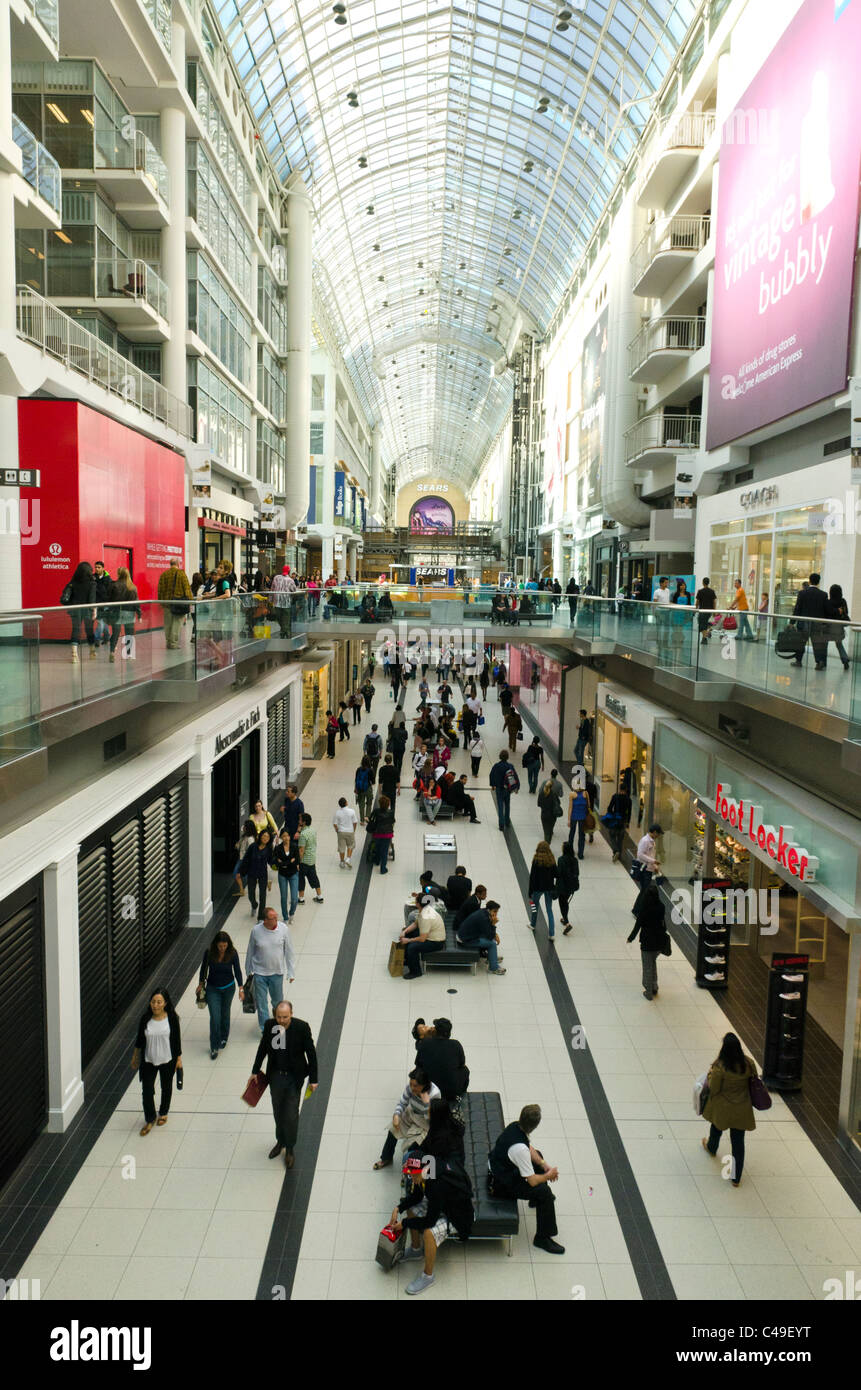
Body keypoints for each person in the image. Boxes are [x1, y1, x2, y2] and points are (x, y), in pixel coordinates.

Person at [250, 1000, 318, 1168]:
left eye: (285, 1017)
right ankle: (280, 1141)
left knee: (291, 1114)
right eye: (279, 1017)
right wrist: (255, 1070)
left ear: (291, 1014)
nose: (281, 1020)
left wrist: (314, 1079)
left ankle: (290, 1147)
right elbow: (263, 1048)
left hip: (294, 1078)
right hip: (276, 1076)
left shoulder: (301, 1028)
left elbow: (311, 1053)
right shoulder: (270, 1026)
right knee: (278, 1110)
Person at [489, 1104, 563, 1254]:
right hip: (500, 1184)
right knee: (544, 1192)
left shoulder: (515, 1127)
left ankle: (535, 1200)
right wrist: (548, 1176)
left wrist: (544, 1165)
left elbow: (529, 1148)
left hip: (500, 1169)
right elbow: (532, 1181)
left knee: (538, 1156)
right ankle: (542, 1238)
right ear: (535, 1126)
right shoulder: (519, 1149)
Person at [701, 1032, 759, 1186]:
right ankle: (736, 1177)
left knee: (716, 1127)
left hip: (723, 1107)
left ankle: (712, 1147)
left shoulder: (721, 1067)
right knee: (738, 1142)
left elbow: (714, 1089)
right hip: (742, 1108)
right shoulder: (748, 1063)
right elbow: (754, 1079)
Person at [130, 989, 182, 1135]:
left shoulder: (172, 1019)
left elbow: (176, 1040)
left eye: (159, 1002)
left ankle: (163, 1112)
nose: (155, 1005)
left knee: (166, 1087)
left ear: (165, 1003)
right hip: (148, 1060)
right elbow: (139, 1040)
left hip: (168, 1059)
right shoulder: (145, 1019)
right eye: (153, 1002)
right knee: (146, 1090)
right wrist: (135, 1057)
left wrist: (178, 1058)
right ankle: (150, 1118)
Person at [374, 1067, 441, 1169]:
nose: (412, 1088)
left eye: (415, 1086)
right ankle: (386, 1157)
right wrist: (396, 1115)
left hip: (425, 1123)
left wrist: (427, 1104)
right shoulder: (411, 1088)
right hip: (411, 1114)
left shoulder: (434, 1094)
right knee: (392, 1131)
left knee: (413, 1145)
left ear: (424, 1085)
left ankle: (408, 1171)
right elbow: (402, 1103)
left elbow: (434, 1119)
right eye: (411, 1084)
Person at [197, 930, 244, 1059]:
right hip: (213, 989)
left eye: (225, 946)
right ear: (215, 945)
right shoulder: (209, 953)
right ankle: (214, 1046)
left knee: (225, 1013)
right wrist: (201, 983)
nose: (223, 948)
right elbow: (203, 969)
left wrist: (241, 988)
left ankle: (224, 1036)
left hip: (228, 988)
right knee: (215, 1017)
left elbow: (238, 971)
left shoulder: (232, 953)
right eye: (220, 946)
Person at [415, 1019, 469, 1112]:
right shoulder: (456, 1045)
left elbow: (418, 1064)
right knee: (465, 1070)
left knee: (419, 1070)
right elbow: (461, 1064)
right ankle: (461, 1096)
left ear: (436, 1031)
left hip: (429, 1090)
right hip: (450, 1093)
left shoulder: (425, 1043)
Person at [627, 882, 667, 1000]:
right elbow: (663, 923)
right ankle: (654, 986)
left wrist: (631, 938)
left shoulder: (644, 909)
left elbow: (638, 925)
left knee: (647, 967)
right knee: (653, 963)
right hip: (658, 941)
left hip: (647, 942)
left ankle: (648, 991)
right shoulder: (661, 907)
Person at [400, 901, 447, 979]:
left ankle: (416, 972)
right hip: (430, 935)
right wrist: (404, 932)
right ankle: (408, 960)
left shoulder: (425, 917)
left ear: (418, 904)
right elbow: (415, 924)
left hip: (436, 942)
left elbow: (422, 939)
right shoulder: (425, 909)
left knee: (412, 947)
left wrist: (408, 940)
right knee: (409, 933)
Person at [792, 572, 830, 670]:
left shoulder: (802, 593)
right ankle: (819, 662)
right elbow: (825, 610)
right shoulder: (823, 595)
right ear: (818, 582)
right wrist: (825, 623)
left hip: (803, 622)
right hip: (817, 624)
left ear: (809, 581)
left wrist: (792, 622)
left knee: (800, 642)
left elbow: (797, 609)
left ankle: (798, 661)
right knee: (818, 644)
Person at [457, 899, 506, 975]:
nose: (496, 914)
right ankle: (493, 968)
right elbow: (489, 935)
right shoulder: (483, 918)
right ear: (489, 910)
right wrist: (493, 924)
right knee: (492, 943)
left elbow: (487, 930)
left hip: (466, 934)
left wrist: (494, 934)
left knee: (491, 939)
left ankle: (492, 958)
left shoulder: (483, 912)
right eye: (495, 911)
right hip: (465, 940)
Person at [64, 560, 97, 661]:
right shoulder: (92, 584)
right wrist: (94, 611)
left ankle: (74, 655)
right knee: (89, 630)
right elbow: (92, 601)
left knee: (76, 629)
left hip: (75, 609)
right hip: (87, 610)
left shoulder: (73, 582)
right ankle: (92, 652)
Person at [158, 557, 192, 650]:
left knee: (168, 624)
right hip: (178, 604)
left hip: (167, 603)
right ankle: (174, 643)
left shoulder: (164, 575)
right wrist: (190, 600)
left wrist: (161, 602)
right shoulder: (181, 574)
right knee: (177, 624)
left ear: (170, 564)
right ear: (178, 564)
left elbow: (160, 590)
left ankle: (168, 642)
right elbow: (186, 588)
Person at [108, 566, 141, 663]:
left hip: (116, 612)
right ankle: (128, 654)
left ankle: (112, 652)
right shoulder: (133, 587)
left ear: (119, 574)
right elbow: (136, 602)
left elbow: (109, 600)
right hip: (129, 613)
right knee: (129, 634)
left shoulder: (114, 585)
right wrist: (139, 614)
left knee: (115, 633)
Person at [527, 841, 558, 939]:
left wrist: (530, 891)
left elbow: (532, 877)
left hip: (537, 888)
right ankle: (551, 934)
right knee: (549, 910)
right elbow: (557, 874)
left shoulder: (536, 860)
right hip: (549, 889)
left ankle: (533, 923)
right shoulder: (551, 860)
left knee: (534, 905)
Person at [240, 829, 274, 916]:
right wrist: (242, 871)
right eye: (264, 836)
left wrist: (278, 863)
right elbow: (246, 859)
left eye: (267, 836)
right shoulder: (253, 846)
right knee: (251, 894)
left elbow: (271, 862)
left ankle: (261, 917)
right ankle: (254, 905)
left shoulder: (269, 848)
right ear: (260, 836)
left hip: (263, 874)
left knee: (263, 896)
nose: (265, 838)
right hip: (252, 873)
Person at [272, 828, 300, 921]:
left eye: (287, 835)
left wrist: (284, 863)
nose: (286, 838)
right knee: (284, 897)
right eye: (283, 836)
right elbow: (276, 863)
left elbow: (297, 860)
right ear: (281, 837)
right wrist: (289, 862)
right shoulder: (278, 848)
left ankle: (292, 912)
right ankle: (285, 917)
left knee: (294, 898)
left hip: (293, 874)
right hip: (282, 875)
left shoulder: (294, 846)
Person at [297, 813, 324, 903]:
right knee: (314, 877)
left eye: (300, 820)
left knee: (301, 879)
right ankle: (319, 896)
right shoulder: (313, 830)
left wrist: (298, 862)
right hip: (312, 859)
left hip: (304, 861)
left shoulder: (303, 835)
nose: (299, 821)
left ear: (303, 822)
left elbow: (301, 850)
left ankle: (301, 898)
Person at [489, 749, 519, 831]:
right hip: (507, 789)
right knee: (507, 805)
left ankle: (501, 824)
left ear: (500, 756)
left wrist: (493, 785)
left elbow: (491, 775)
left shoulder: (496, 766)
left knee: (500, 806)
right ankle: (507, 821)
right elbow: (515, 776)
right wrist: (517, 787)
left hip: (499, 789)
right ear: (507, 757)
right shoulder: (510, 766)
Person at [367, 792, 395, 873]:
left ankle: (377, 860)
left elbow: (370, 819)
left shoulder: (376, 811)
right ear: (388, 804)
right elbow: (393, 821)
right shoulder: (391, 812)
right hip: (388, 834)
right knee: (385, 851)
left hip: (377, 833)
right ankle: (383, 869)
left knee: (378, 847)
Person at [605, 781, 633, 863]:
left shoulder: (615, 797)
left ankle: (615, 851)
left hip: (615, 819)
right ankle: (619, 856)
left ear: (619, 789)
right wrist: (628, 822)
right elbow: (629, 812)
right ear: (626, 790)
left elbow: (610, 808)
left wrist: (611, 815)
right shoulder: (629, 800)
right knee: (620, 839)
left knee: (612, 836)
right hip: (623, 820)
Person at [556, 841, 580, 934]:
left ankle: (567, 923)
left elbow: (559, 873)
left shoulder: (561, 859)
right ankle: (564, 919)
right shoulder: (575, 860)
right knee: (565, 902)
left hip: (562, 886)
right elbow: (577, 873)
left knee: (562, 903)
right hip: (571, 886)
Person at [826, 584, 851, 670]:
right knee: (839, 644)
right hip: (839, 627)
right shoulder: (843, 601)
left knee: (824, 643)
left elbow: (828, 613)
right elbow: (846, 612)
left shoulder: (828, 602)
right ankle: (845, 660)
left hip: (829, 626)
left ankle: (822, 662)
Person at [231, 818, 257, 897]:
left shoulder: (250, 839)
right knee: (244, 875)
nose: (243, 827)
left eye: (245, 826)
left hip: (244, 860)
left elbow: (250, 851)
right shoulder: (245, 836)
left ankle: (242, 891)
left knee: (236, 874)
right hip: (241, 859)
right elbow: (240, 845)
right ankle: (242, 890)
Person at [635, 823, 662, 891]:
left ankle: (641, 901)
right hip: (644, 869)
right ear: (655, 832)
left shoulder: (652, 841)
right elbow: (640, 854)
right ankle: (640, 901)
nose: (659, 836)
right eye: (658, 834)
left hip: (649, 869)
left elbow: (650, 855)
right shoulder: (645, 841)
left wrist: (655, 866)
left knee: (645, 890)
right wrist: (654, 861)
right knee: (645, 890)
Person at [567, 782, 591, 859]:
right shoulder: (586, 793)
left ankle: (570, 852)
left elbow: (570, 808)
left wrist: (568, 819)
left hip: (574, 816)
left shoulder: (572, 794)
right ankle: (580, 854)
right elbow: (589, 805)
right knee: (582, 836)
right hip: (583, 817)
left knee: (572, 834)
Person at [333, 796, 358, 869]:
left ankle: (342, 862)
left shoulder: (337, 812)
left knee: (341, 847)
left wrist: (337, 830)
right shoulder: (352, 811)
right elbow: (355, 822)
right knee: (350, 845)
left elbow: (334, 824)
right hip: (350, 831)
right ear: (346, 803)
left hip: (341, 832)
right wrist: (353, 830)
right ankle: (348, 859)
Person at [536, 775, 563, 844]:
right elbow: (558, 803)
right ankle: (547, 844)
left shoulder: (541, 793)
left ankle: (546, 844)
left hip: (544, 815)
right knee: (550, 831)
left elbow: (538, 804)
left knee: (546, 832)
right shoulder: (553, 794)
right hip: (552, 816)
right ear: (552, 786)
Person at [695, 577, 717, 644]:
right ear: (708, 582)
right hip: (709, 611)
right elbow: (714, 602)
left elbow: (697, 602)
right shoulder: (712, 591)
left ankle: (704, 638)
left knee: (702, 624)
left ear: (703, 582)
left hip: (702, 611)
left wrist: (696, 609)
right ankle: (706, 635)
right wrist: (714, 611)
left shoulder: (700, 591)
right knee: (705, 624)